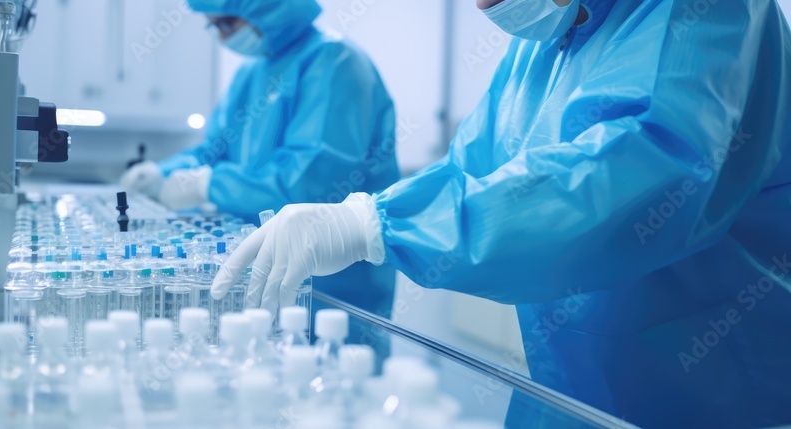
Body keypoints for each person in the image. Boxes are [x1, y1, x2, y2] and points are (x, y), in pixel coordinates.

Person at [211, 0, 791, 427]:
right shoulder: (540, 46)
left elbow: (633, 171)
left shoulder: (704, 11)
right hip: (566, 383)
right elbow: (469, 168)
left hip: (710, 387)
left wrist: (380, 226)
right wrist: (369, 212)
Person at [120, 0, 400, 347]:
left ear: (270, 8)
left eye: (226, 24)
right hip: (259, 270)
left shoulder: (335, 62)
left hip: (331, 284)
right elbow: (212, 151)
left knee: (331, 366)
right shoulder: (252, 73)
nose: (221, 38)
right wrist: (162, 173)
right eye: (213, 27)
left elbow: (309, 185)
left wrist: (210, 184)